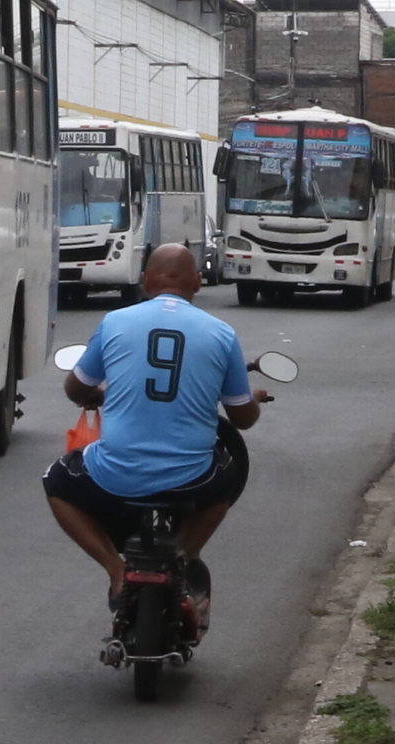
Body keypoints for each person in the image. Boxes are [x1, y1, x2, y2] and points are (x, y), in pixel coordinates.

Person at [42, 243, 267, 630]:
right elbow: (242, 420)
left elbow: (76, 390)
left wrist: (101, 396)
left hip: (113, 475)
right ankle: (183, 558)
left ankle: (116, 569)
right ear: (198, 282)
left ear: (145, 282)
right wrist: (254, 399)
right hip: (191, 478)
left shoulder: (114, 322)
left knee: (56, 480)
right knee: (229, 477)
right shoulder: (222, 334)